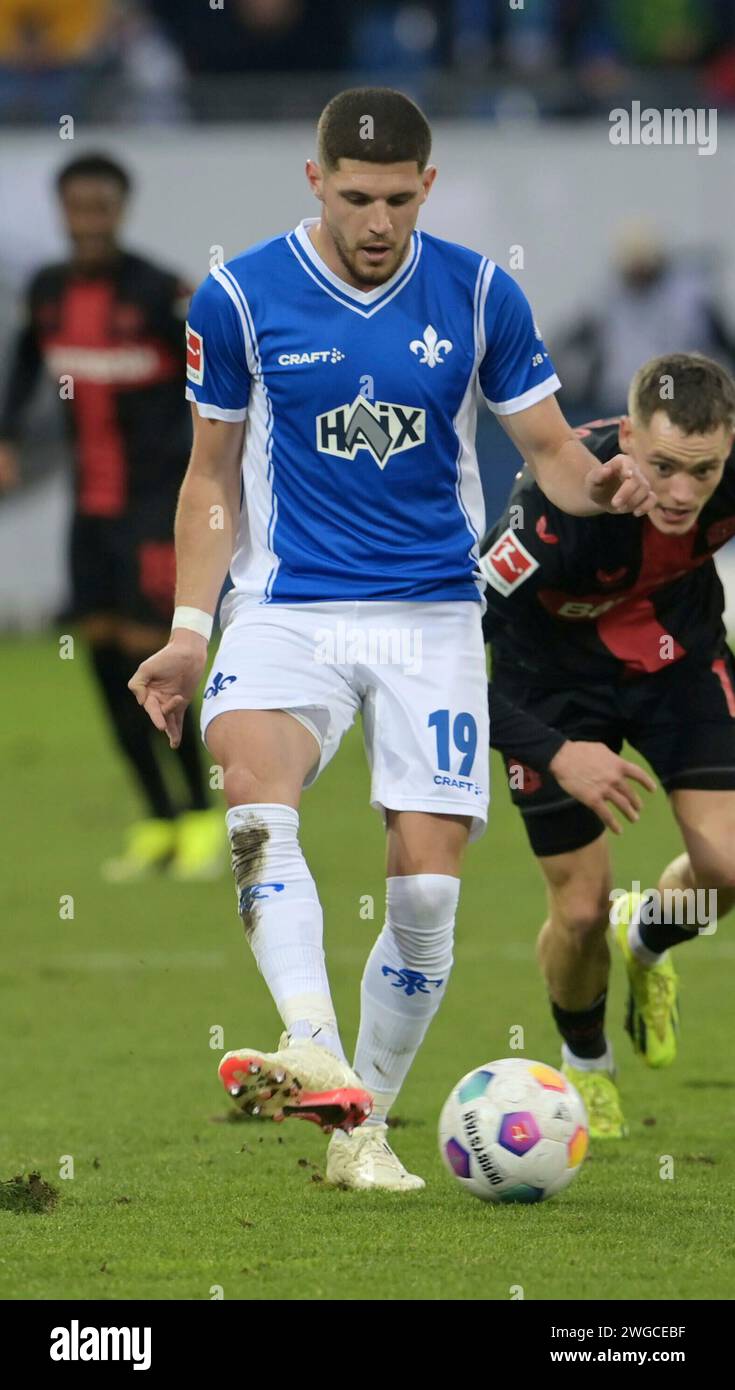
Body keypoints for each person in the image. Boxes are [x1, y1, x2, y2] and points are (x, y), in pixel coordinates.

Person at [129, 86, 654, 1191]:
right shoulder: (236, 298)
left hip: (431, 614)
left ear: (429, 184)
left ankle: (355, 1133)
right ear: (315, 181)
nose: (377, 222)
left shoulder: (477, 292)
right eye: (356, 197)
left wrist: (598, 487)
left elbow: (551, 450)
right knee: (255, 793)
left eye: (398, 200)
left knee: (425, 898)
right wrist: (189, 631)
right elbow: (210, 476)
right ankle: (311, 1041)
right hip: (286, 608)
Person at [481, 352, 735, 1137]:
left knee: (728, 868)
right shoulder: (545, 521)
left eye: (705, 471)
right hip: (548, 690)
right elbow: (439, 672)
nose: (683, 494)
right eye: (662, 467)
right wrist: (556, 750)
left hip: (677, 663)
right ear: (626, 437)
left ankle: (650, 938)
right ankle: (585, 1061)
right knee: (582, 906)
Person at [0, 153, 221, 881]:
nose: (89, 221)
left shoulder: (161, 293)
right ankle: (156, 819)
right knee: (99, 657)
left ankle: (199, 815)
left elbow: (216, 375)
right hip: (89, 513)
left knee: (148, 660)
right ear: (63, 212)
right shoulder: (48, 291)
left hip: (154, 510)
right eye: (77, 208)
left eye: (101, 208)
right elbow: (29, 357)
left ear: (119, 211)